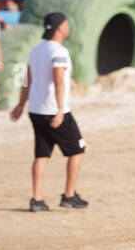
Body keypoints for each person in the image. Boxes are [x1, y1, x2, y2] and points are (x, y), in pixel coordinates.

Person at [8, 12, 88, 212]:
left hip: (35, 110)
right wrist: (61, 111)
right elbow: (59, 80)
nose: (68, 28)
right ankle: (69, 195)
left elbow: (26, 80)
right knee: (78, 150)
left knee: (42, 154)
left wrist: (20, 105)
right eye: (67, 24)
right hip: (54, 110)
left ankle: (37, 199)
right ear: (60, 28)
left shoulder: (34, 51)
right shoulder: (59, 52)